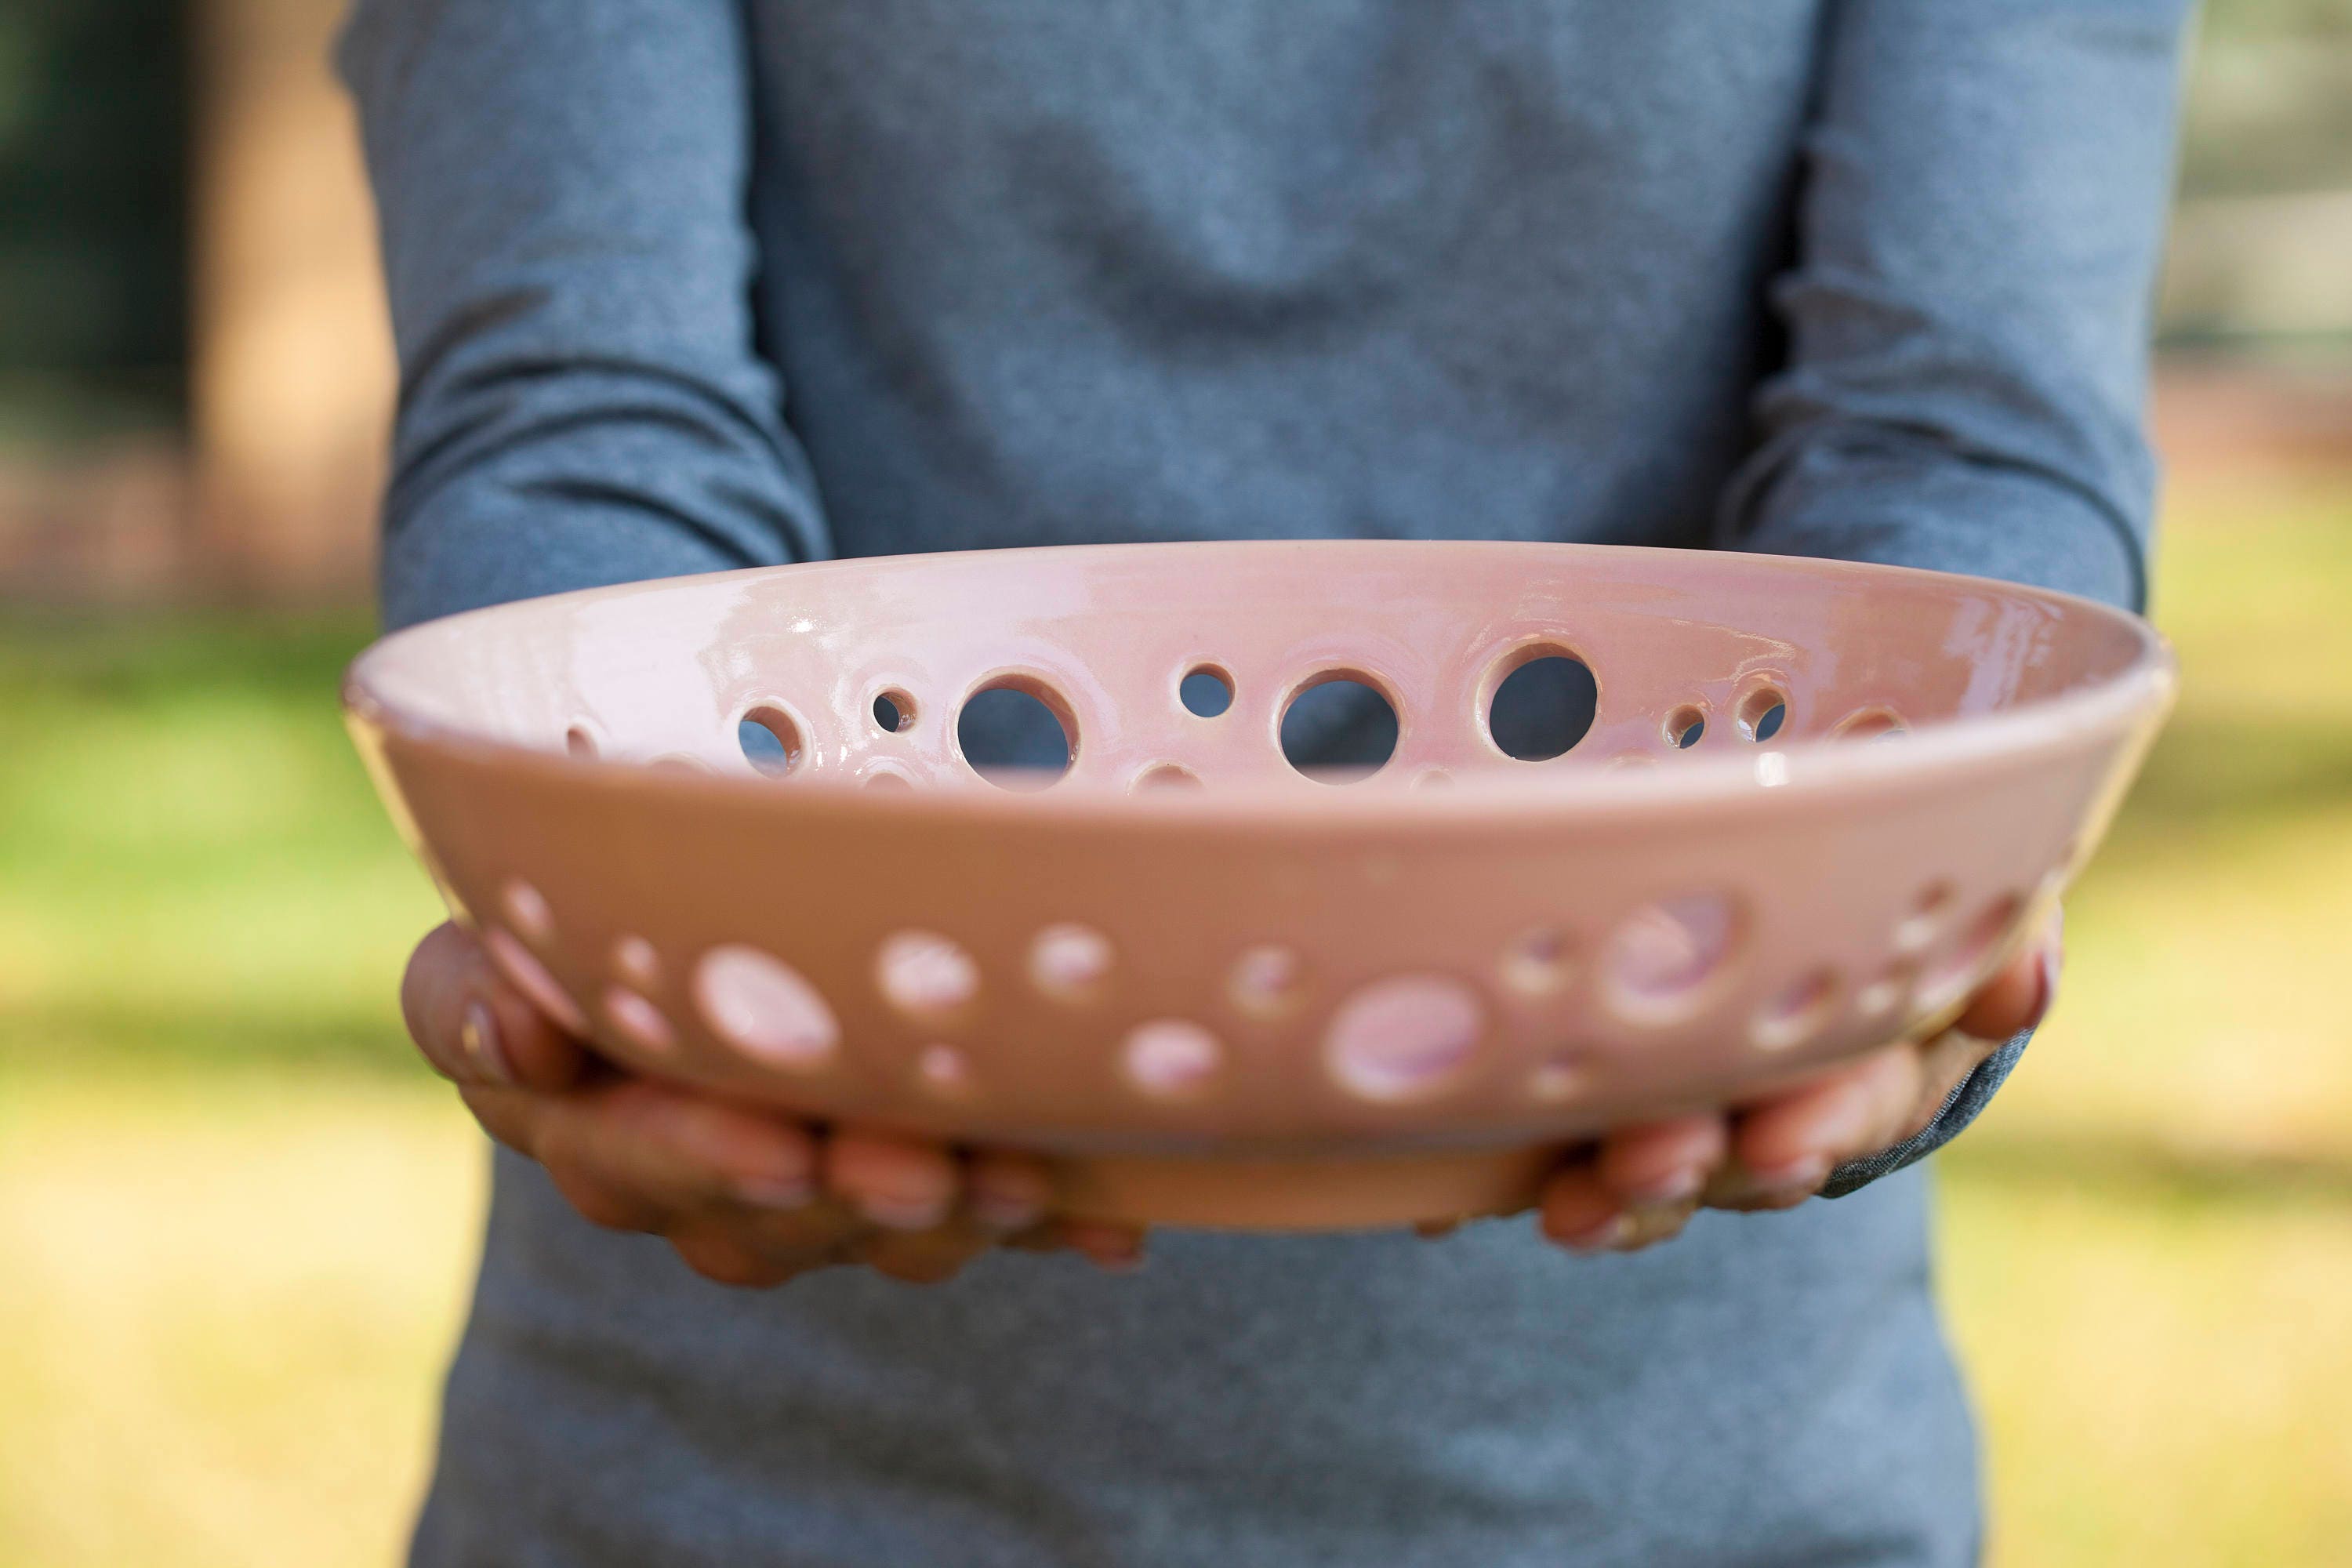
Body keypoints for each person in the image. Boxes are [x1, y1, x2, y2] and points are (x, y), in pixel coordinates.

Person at [342, 3, 2188, 1563]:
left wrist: (1901, 940)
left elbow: (1953, 448)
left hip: (1688, 1484)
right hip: (729, 1479)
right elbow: (588, 418)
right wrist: (607, 891)